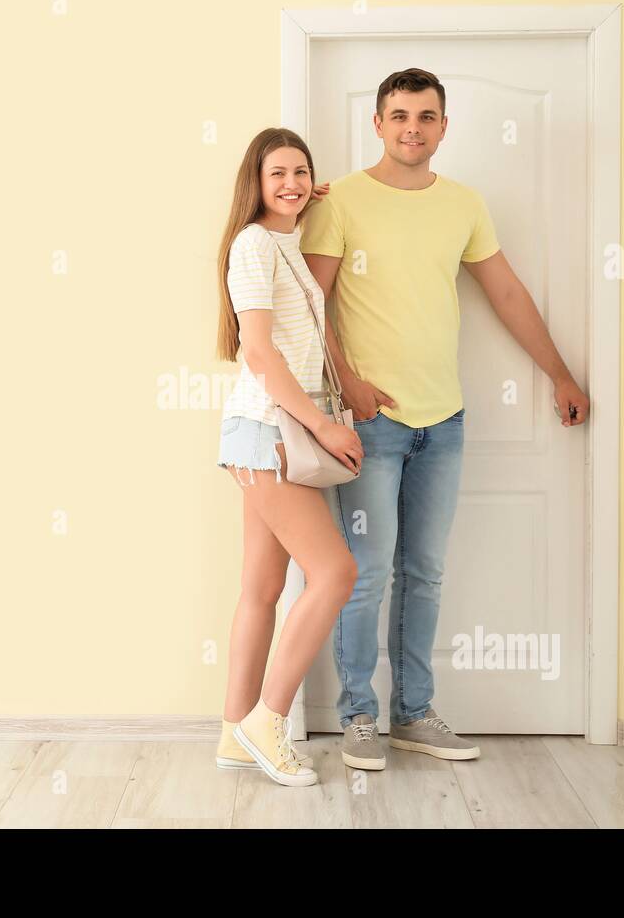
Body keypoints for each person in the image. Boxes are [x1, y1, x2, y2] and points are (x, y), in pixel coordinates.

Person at [300, 68, 591, 770]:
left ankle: (412, 714)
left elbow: (508, 294)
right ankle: (358, 718)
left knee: (424, 573)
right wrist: (351, 386)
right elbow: (310, 308)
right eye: (399, 116)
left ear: (443, 126)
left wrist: (558, 372)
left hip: (445, 422)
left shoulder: (463, 204)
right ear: (377, 123)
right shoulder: (341, 203)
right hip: (370, 424)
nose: (412, 128)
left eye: (425, 117)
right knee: (367, 574)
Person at [212, 127, 361, 787]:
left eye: (302, 172)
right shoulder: (252, 245)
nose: (293, 183)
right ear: (255, 181)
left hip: (263, 432)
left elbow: (297, 202)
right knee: (336, 573)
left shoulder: (284, 241)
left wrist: (306, 196)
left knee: (263, 589)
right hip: (268, 432)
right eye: (278, 174)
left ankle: (233, 732)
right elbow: (261, 354)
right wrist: (324, 427)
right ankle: (269, 723)